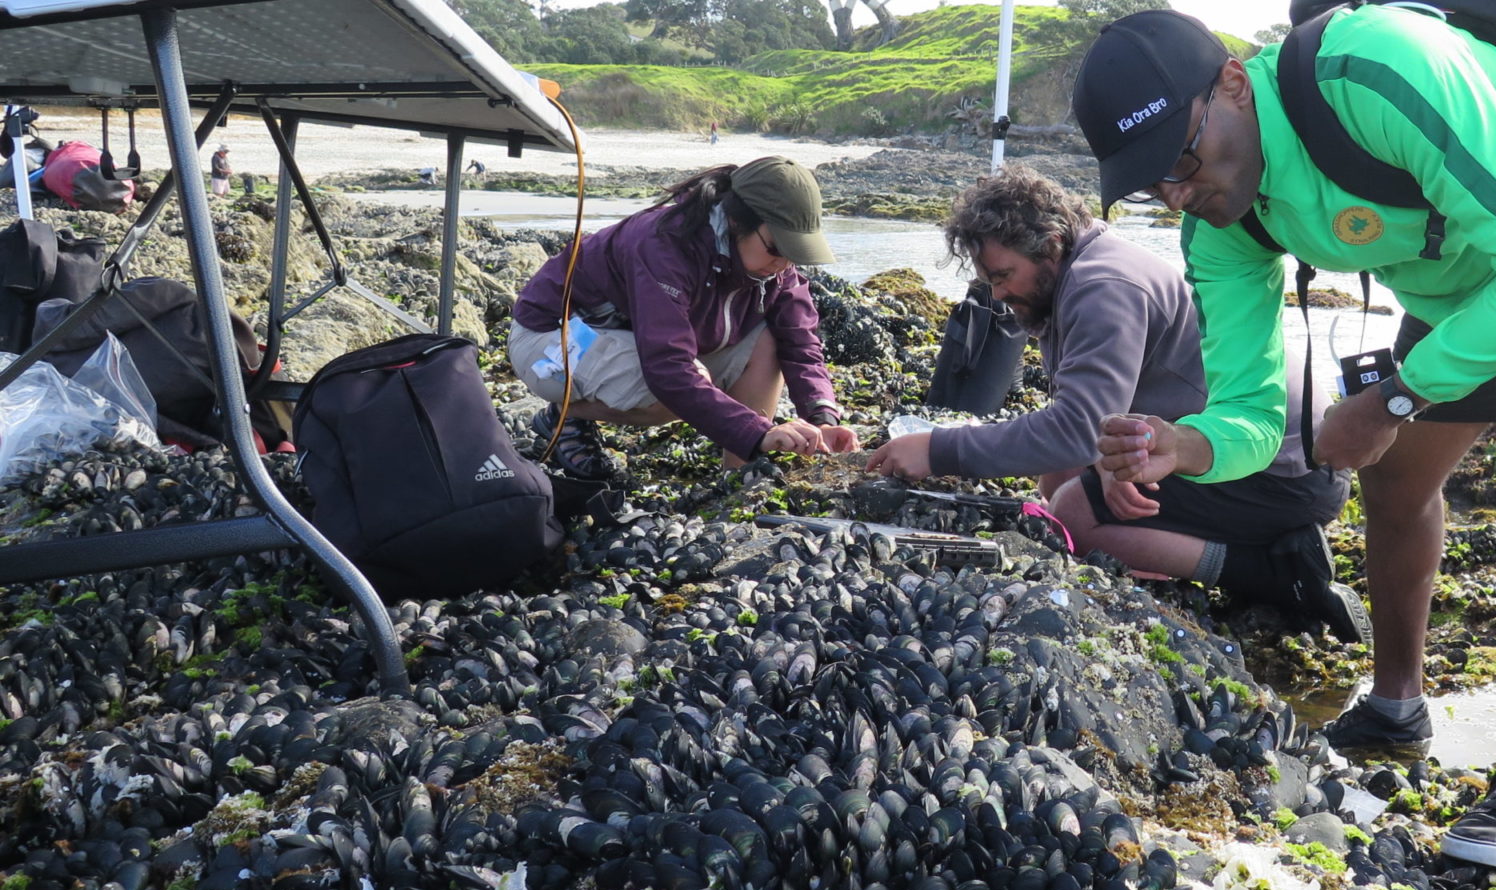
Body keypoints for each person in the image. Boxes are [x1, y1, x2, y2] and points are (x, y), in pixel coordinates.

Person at [1073, 9, 1496, 871]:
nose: (1179, 195)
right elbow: (1253, 417)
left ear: (1233, 81)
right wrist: (1186, 446)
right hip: (1478, 269)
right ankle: (1394, 704)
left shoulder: (1374, 69)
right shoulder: (1221, 222)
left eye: (1183, 162)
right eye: (1153, 183)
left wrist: (1396, 397)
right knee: (1397, 475)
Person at [865, 168, 1365, 639]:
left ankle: (1277, 571)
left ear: (1051, 244)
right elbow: (1087, 421)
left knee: (1075, 516)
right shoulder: (1078, 268)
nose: (998, 295)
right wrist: (1103, 460)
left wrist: (939, 450)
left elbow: (1075, 429)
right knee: (1057, 491)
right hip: (1226, 444)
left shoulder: (1103, 286)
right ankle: (1199, 546)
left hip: (1287, 472)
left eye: (1003, 276)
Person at [509, 155, 858, 477]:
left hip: (633, 339)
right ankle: (566, 414)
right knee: (672, 392)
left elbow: (801, 342)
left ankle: (740, 475)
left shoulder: (776, 269)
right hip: (553, 338)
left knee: (769, 340)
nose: (783, 262)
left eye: (794, 251)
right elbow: (668, 368)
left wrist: (822, 418)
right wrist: (759, 432)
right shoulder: (664, 243)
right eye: (777, 247)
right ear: (737, 220)